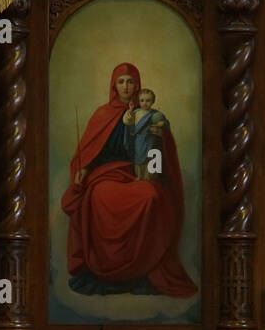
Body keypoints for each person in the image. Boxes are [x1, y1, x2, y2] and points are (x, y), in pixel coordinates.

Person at [61, 62, 196, 298]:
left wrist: (159, 137)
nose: (126, 86)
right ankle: (105, 269)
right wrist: (83, 169)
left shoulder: (149, 115)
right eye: (121, 81)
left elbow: (159, 152)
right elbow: (87, 153)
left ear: (138, 86)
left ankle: (143, 270)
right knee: (102, 197)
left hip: (137, 173)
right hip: (105, 176)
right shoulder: (102, 115)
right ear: (114, 85)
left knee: (152, 195)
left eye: (130, 81)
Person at [124, 87, 167, 181]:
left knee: (150, 159)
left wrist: (159, 126)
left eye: (148, 100)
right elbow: (128, 123)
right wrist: (130, 111)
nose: (145, 103)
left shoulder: (155, 114)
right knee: (139, 159)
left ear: (152, 101)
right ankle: (139, 176)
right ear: (139, 101)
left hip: (150, 140)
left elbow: (163, 123)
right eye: (142, 100)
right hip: (139, 141)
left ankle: (149, 178)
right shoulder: (136, 112)